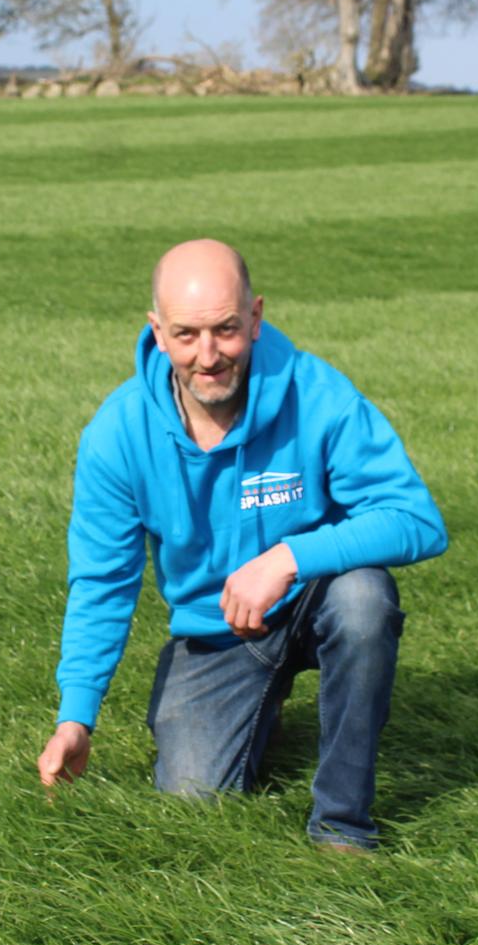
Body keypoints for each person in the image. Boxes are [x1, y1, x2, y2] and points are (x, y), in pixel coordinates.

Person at [36, 239, 447, 850]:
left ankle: (342, 826)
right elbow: (102, 582)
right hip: (215, 632)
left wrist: (288, 559)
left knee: (364, 598)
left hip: (314, 602)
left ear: (255, 317)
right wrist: (77, 716)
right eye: (186, 335)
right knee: (192, 800)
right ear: (156, 330)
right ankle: (258, 709)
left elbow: (416, 519)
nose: (208, 356)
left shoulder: (318, 395)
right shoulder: (117, 435)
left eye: (226, 330)